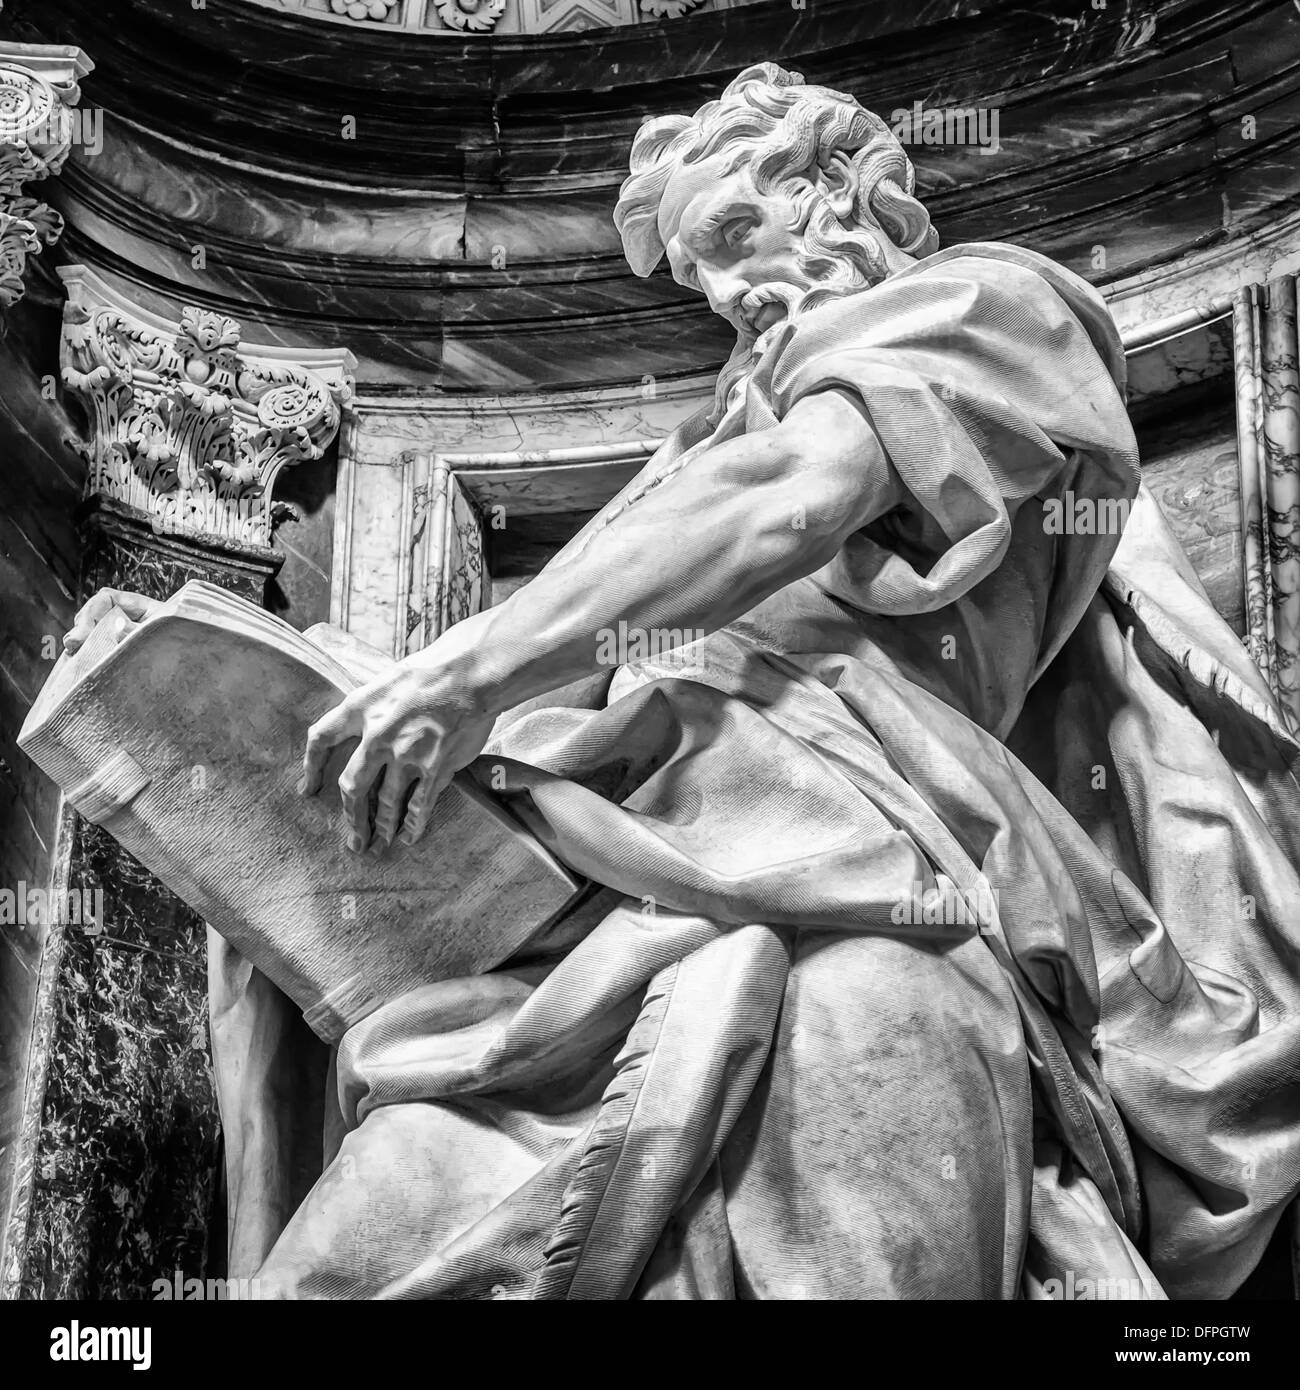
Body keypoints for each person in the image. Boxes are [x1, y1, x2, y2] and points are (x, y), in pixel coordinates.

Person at [68, 63, 1300, 1300]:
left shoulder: (987, 309)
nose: (723, 290)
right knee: (351, 1244)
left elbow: (789, 501)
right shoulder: (702, 444)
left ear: (839, 194)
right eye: (697, 271)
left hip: (875, 875)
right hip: (597, 899)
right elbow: (556, 681)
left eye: (730, 234)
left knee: (862, 1070)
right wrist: (218, 659)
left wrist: (471, 672)